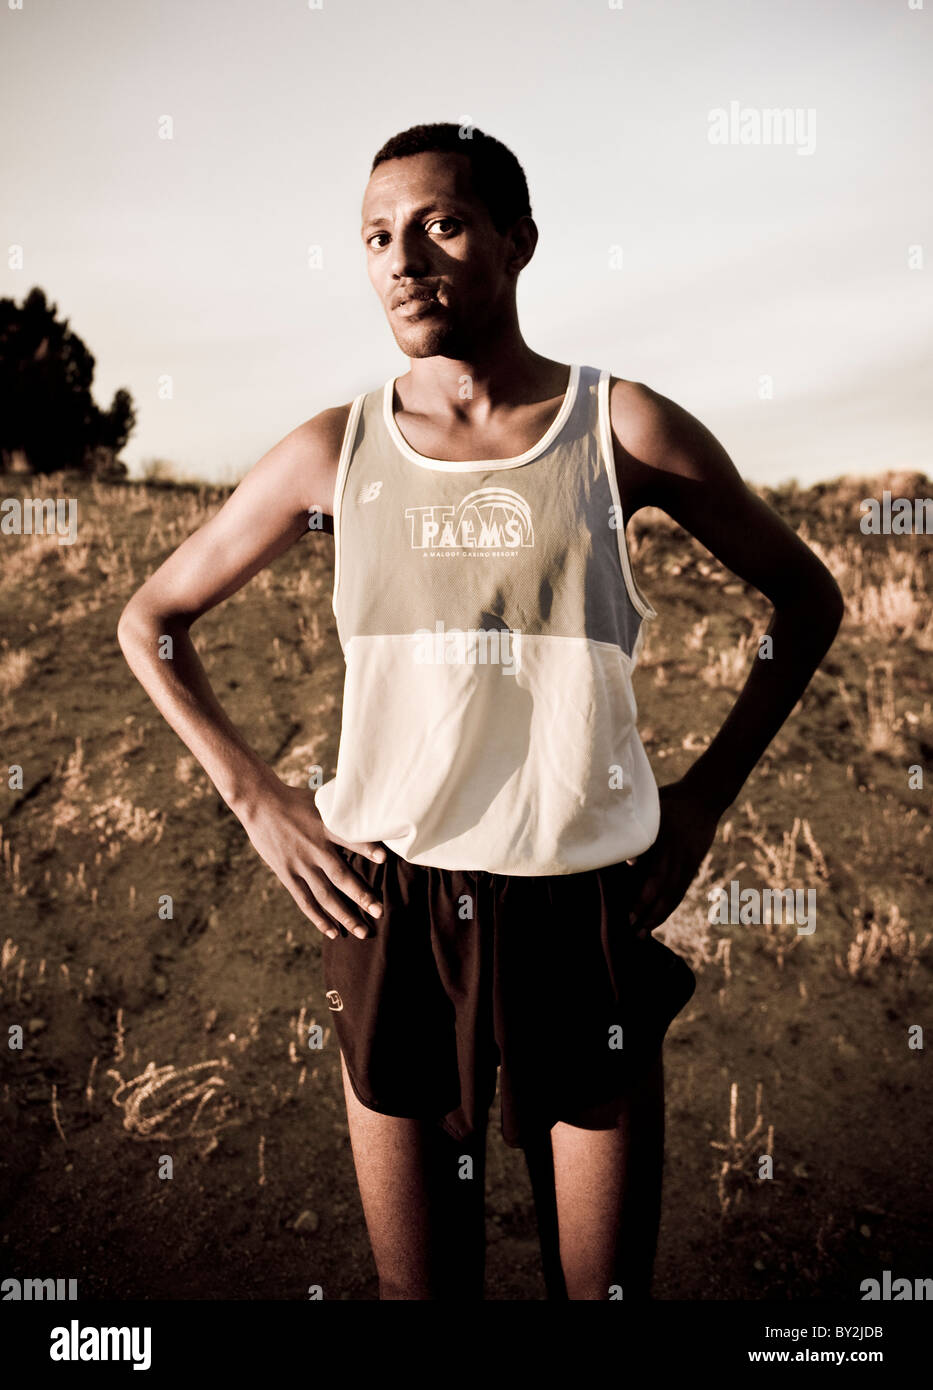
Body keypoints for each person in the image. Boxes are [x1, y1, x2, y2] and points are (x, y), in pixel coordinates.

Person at [117, 122, 844, 1301]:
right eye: (376, 237)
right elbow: (150, 619)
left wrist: (704, 799)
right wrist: (257, 800)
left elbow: (806, 600)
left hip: (579, 913)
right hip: (389, 907)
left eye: (440, 226)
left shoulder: (621, 431)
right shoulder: (330, 453)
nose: (403, 259)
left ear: (519, 241)